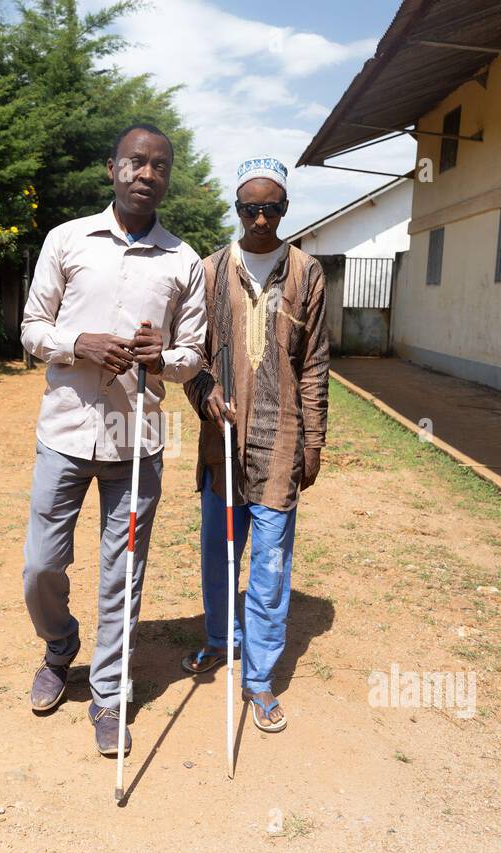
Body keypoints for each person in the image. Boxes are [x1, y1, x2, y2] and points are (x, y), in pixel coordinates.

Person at [20, 124, 206, 756]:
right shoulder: (66, 240)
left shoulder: (184, 261)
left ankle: (107, 694)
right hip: (65, 432)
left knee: (122, 573)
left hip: (138, 444)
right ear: (112, 169)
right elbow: (30, 327)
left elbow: (193, 356)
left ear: (166, 178)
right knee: (41, 565)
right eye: (134, 162)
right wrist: (80, 344)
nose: (145, 173)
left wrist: (164, 358)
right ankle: (59, 646)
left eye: (158, 165)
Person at [181, 156, 328, 733]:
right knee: (219, 555)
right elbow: (187, 353)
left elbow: (314, 364)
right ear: (237, 210)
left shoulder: (307, 273)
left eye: (270, 207)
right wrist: (204, 392)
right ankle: (222, 640)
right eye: (249, 208)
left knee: (269, 565)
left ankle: (260, 677)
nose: (260, 218)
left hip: (282, 442)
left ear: (285, 208)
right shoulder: (210, 270)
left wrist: (313, 441)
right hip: (222, 445)